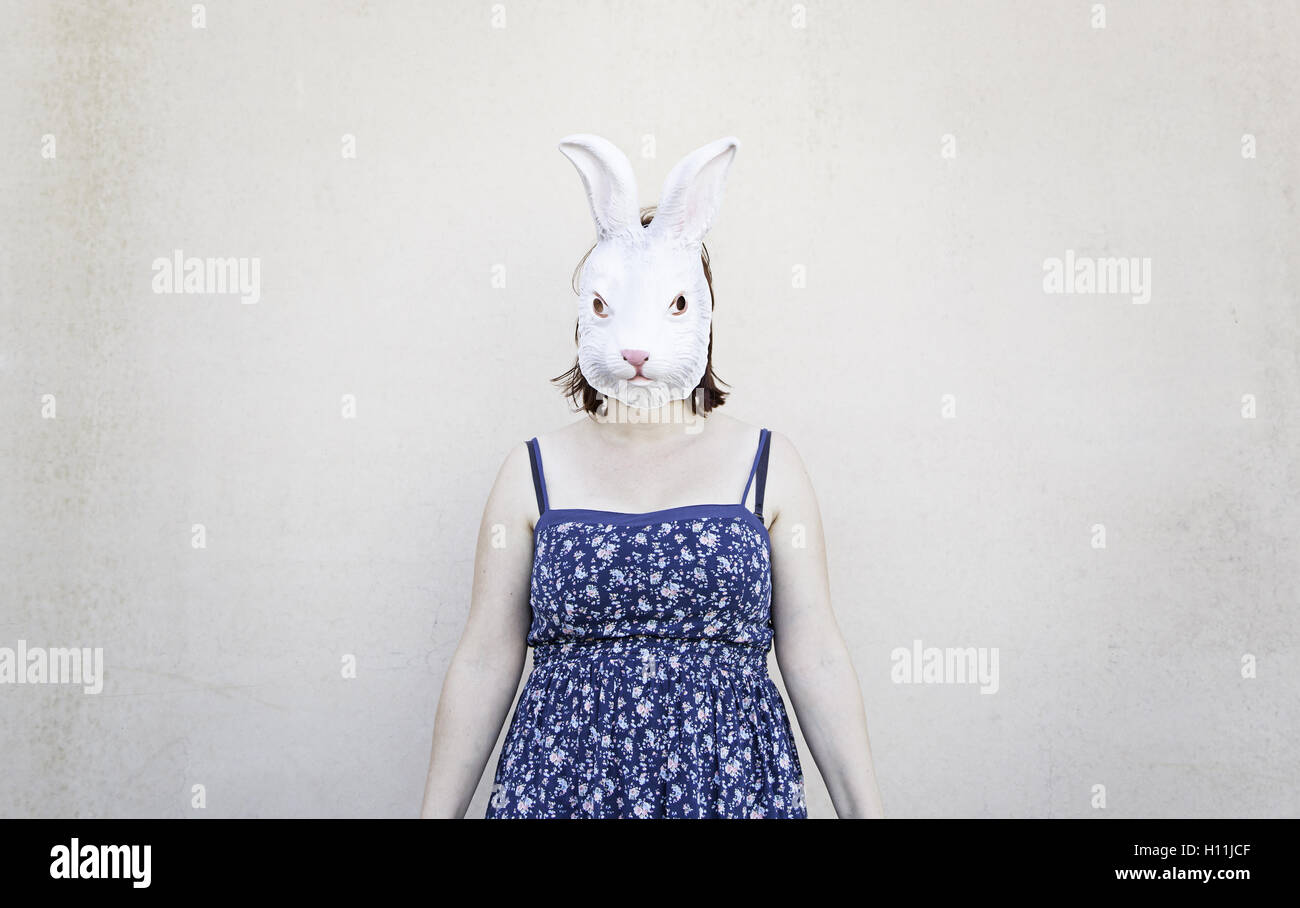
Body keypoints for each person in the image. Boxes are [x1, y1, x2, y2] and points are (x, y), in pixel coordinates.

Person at [420, 135, 883, 818]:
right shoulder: (530, 474)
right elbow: (486, 659)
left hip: (729, 791)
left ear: (699, 312)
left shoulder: (770, 466)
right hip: (561, 790)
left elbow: (814, 656)